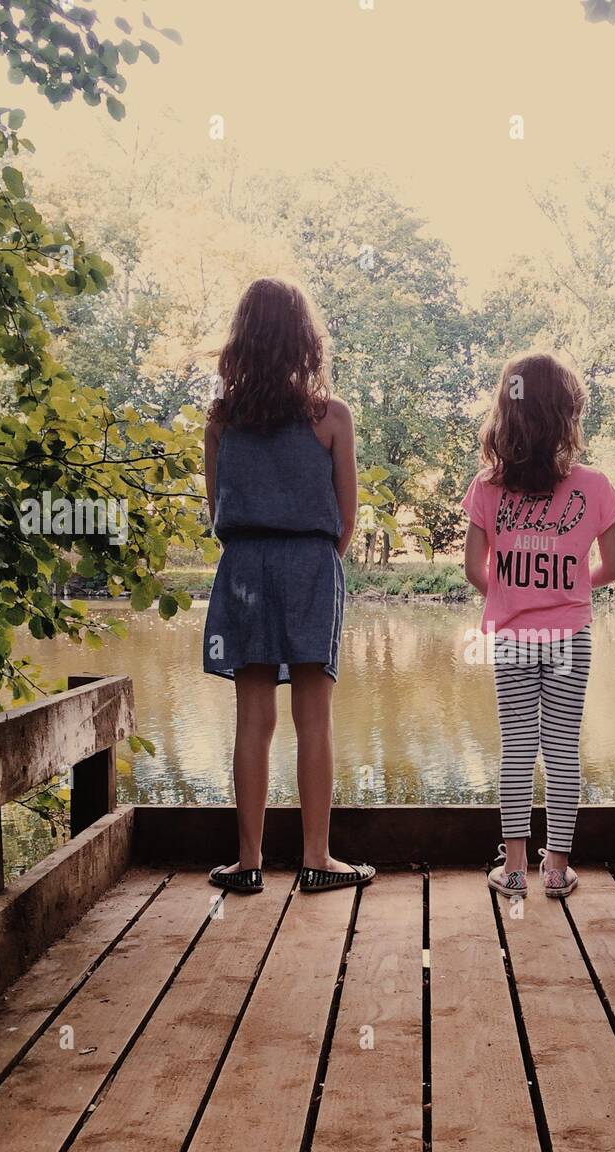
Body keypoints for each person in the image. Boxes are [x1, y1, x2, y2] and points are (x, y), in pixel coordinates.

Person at [202, 277, 375, 894]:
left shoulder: (222, 420)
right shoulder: (331, 418)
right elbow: (347, 515)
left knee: (253, 719)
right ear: (306, 340)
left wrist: (254, 553)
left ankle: (247, 865)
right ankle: (317, 860)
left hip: (244, 566)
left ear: (241, 339)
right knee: (315, 721)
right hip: (310, 564)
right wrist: (315, 564)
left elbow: (216, 513)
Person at [462, 351, 615, 900]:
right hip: (570, 635)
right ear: (566, 415)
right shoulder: (594, 486)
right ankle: (555, 871)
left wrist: (512, 592)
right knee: (560, 749)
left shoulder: (487, 487)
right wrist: (572, 585)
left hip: (512, 636)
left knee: (515, 748)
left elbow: (472, 570)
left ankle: (513, 872)